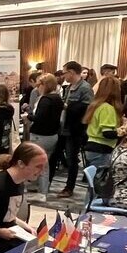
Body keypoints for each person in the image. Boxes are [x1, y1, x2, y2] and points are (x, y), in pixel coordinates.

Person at [0, 142, 45, 253]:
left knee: (40, 251)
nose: (42, 171)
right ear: (21, 163)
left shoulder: (19, 183)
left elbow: (8, 214)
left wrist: (26, 227)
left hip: (9, 234)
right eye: (38, 166)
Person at [57, 61, 93, 198]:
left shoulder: (85, 88)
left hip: (75, 130)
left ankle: (69, 187)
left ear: (71, 72)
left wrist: (68, 107)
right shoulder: (70, 86)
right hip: (64, 127)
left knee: (72, 159)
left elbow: (87, 108)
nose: (63, 75)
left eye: (64, 72)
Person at [27, 72, 63, 197]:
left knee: (41, 165)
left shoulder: (45, 99)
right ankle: (38, 188)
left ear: (45, 85)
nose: (37, 88)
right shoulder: (58, 98)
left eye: (39, 85)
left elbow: (39, 118)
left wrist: (28, 116)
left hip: (40, 135)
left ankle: (42, 192)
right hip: (52, 136)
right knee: (44, 162)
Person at [83, 75, 122, 170]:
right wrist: (124, 131)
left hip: (92, 146)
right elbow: (107, 133)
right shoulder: (107, 108)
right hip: (102, 149)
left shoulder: (96, 105)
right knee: (99, 182)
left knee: (93, 180)